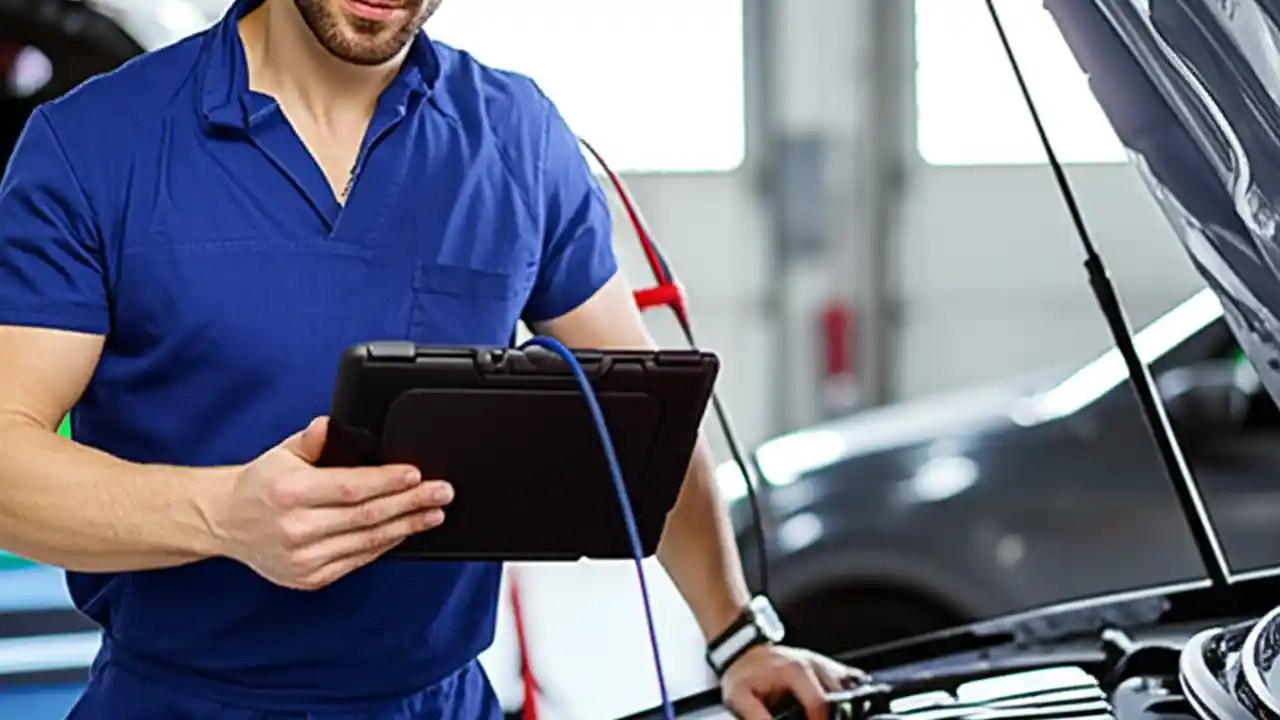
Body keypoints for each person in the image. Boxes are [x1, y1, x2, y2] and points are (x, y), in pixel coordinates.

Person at [0, 0, 863, 718]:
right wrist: (223, 514)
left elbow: (640, 421)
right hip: (180, 703)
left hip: (442, 702)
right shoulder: (95, 148)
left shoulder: (514, 139)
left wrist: (737, 634)